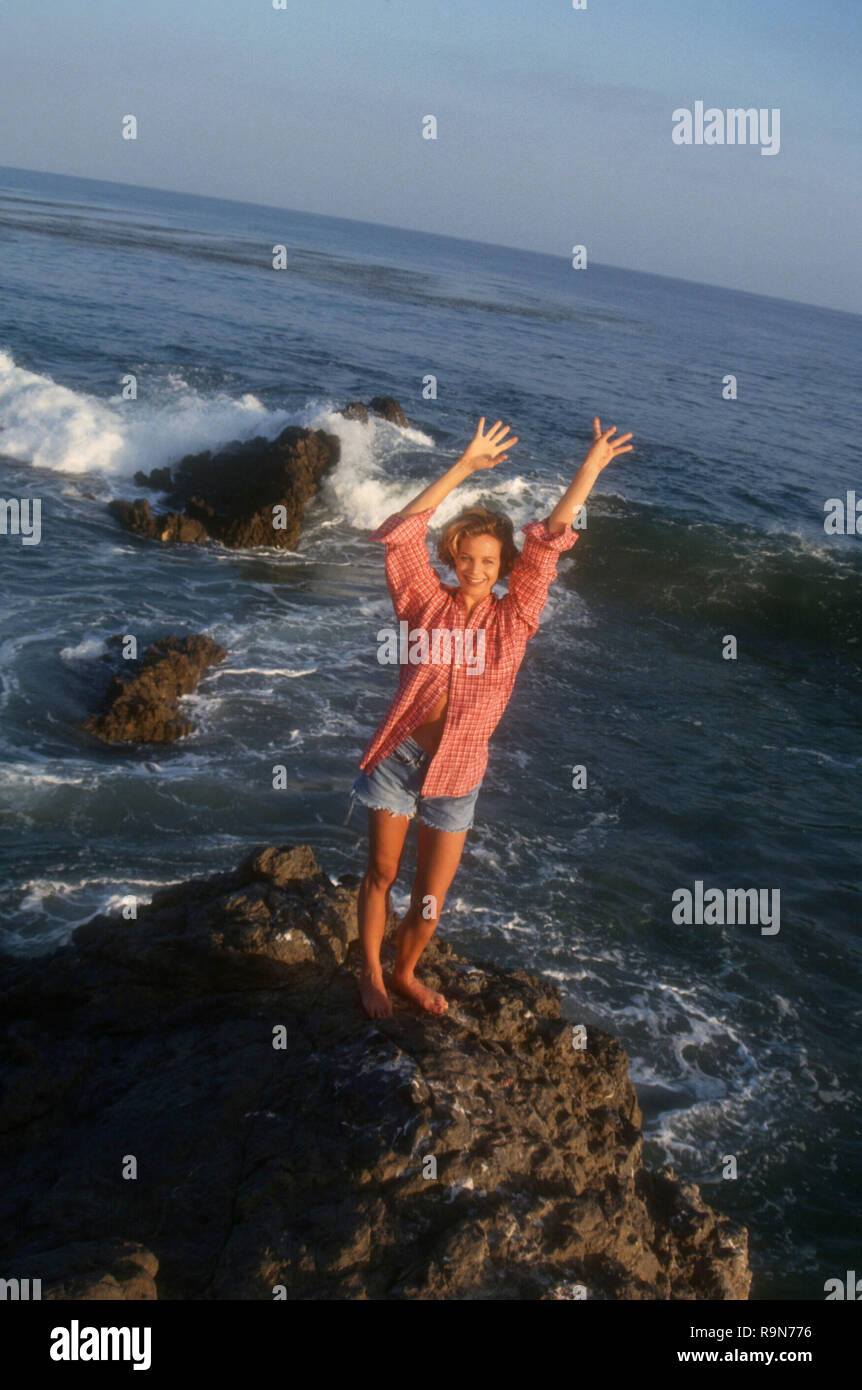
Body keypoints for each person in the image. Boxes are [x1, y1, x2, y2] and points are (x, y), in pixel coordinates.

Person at [347, 415, 633, 1018]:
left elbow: (550, 541)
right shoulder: (423, 602)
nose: (475, 570)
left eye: (487, 560)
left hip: (458, 773)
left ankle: (405, 973)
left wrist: (591, 469)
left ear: (502, 565)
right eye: (465, 557)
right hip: (400, 758)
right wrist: (463, 467)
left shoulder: (516, 618)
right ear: (452, 557)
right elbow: (400, 534)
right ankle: (370, 974)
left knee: (430, 896)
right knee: (380, 871)